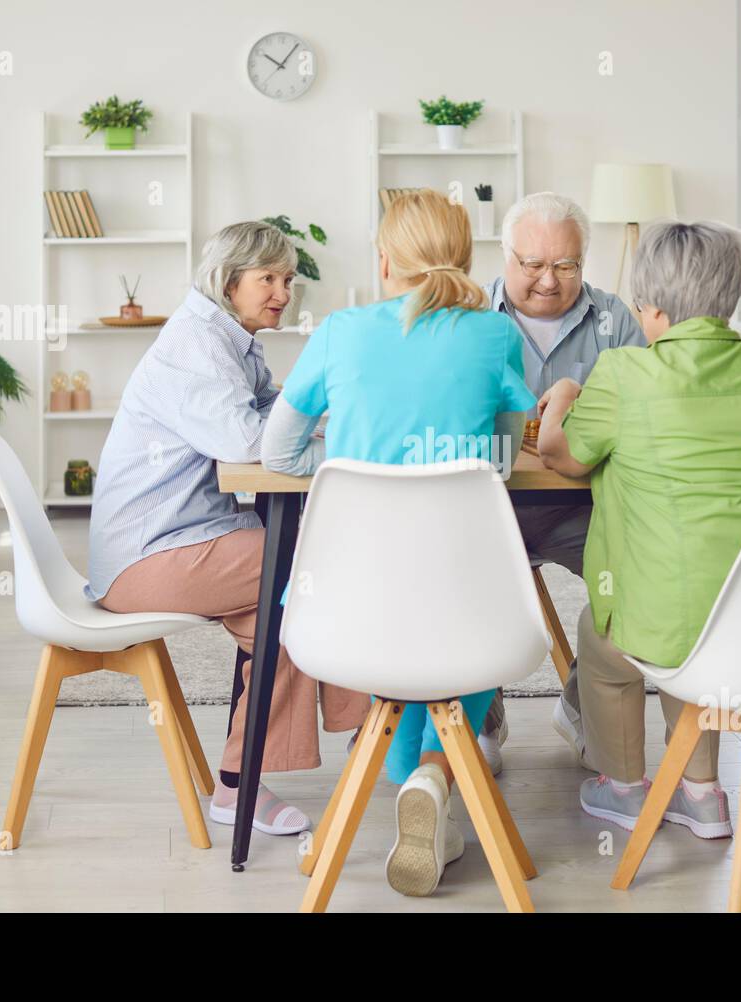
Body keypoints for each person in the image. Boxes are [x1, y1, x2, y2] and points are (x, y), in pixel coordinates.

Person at [262, 189, 538, 897]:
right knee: (462, 610)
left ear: (386, 260)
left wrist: (339, 459)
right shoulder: (495, 334)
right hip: (463, 603)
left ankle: (415, 780)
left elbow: (276, 451)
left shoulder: (342, 332)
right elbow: (500, 463)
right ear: (466, 258)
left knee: (410, 631)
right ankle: (436, 776)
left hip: (353, 609)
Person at [87, 221, 370, 837]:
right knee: (305, 571)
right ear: (229, 279)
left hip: (182, 538)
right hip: (149, 554)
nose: (282, 292)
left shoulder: (230, 338)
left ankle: (245, 781)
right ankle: (363, 727)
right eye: (268, 278)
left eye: (288, 279)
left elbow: (270, 408)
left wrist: (318, 411)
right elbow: (246, 443)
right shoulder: (194, 346)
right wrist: (324, 428)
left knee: (288, 605)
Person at [535, 221, 741, 836]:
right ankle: (703, 792)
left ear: (649, 307)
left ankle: (623, 788)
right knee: (696, 631)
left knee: (606, 646)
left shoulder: (626, 374)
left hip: (661, 620)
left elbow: (562, 455)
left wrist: (568, 391)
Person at [480, 191, 645, 772]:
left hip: (583, 509)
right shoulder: (468, 314)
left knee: (637, 578)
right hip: (485, 509)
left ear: (584, 263)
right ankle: (482, 716)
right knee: (451, 575)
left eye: (566, 266)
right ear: (505, 257)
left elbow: (642, 415)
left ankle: (581, 706)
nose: (548, 281)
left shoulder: (614, 319)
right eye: (532, 265)